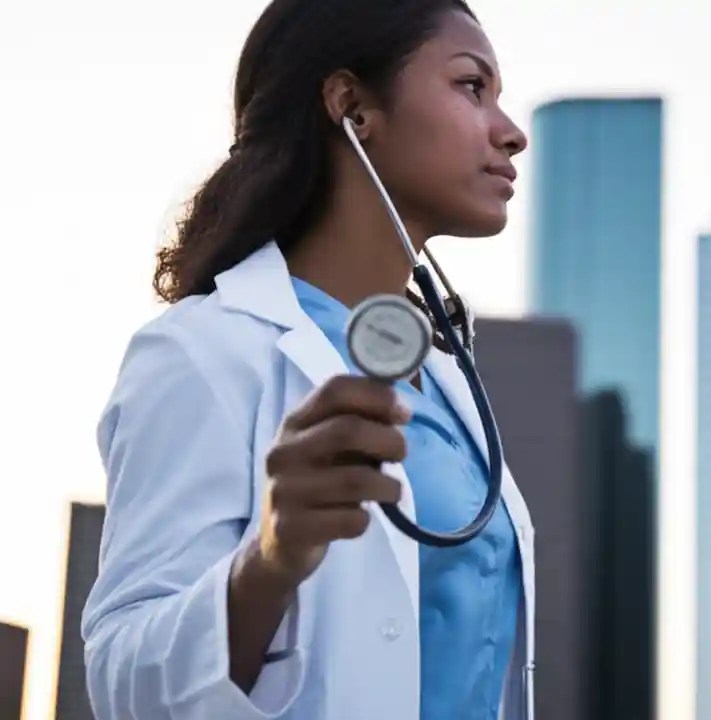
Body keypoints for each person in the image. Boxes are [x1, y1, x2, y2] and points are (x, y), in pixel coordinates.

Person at [81, 1, 535, 718]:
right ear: (353, 107)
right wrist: (269, 559)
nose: (512, 135)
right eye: (471, 87)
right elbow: (121, 681)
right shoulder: (203, 352)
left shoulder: (448, 381)